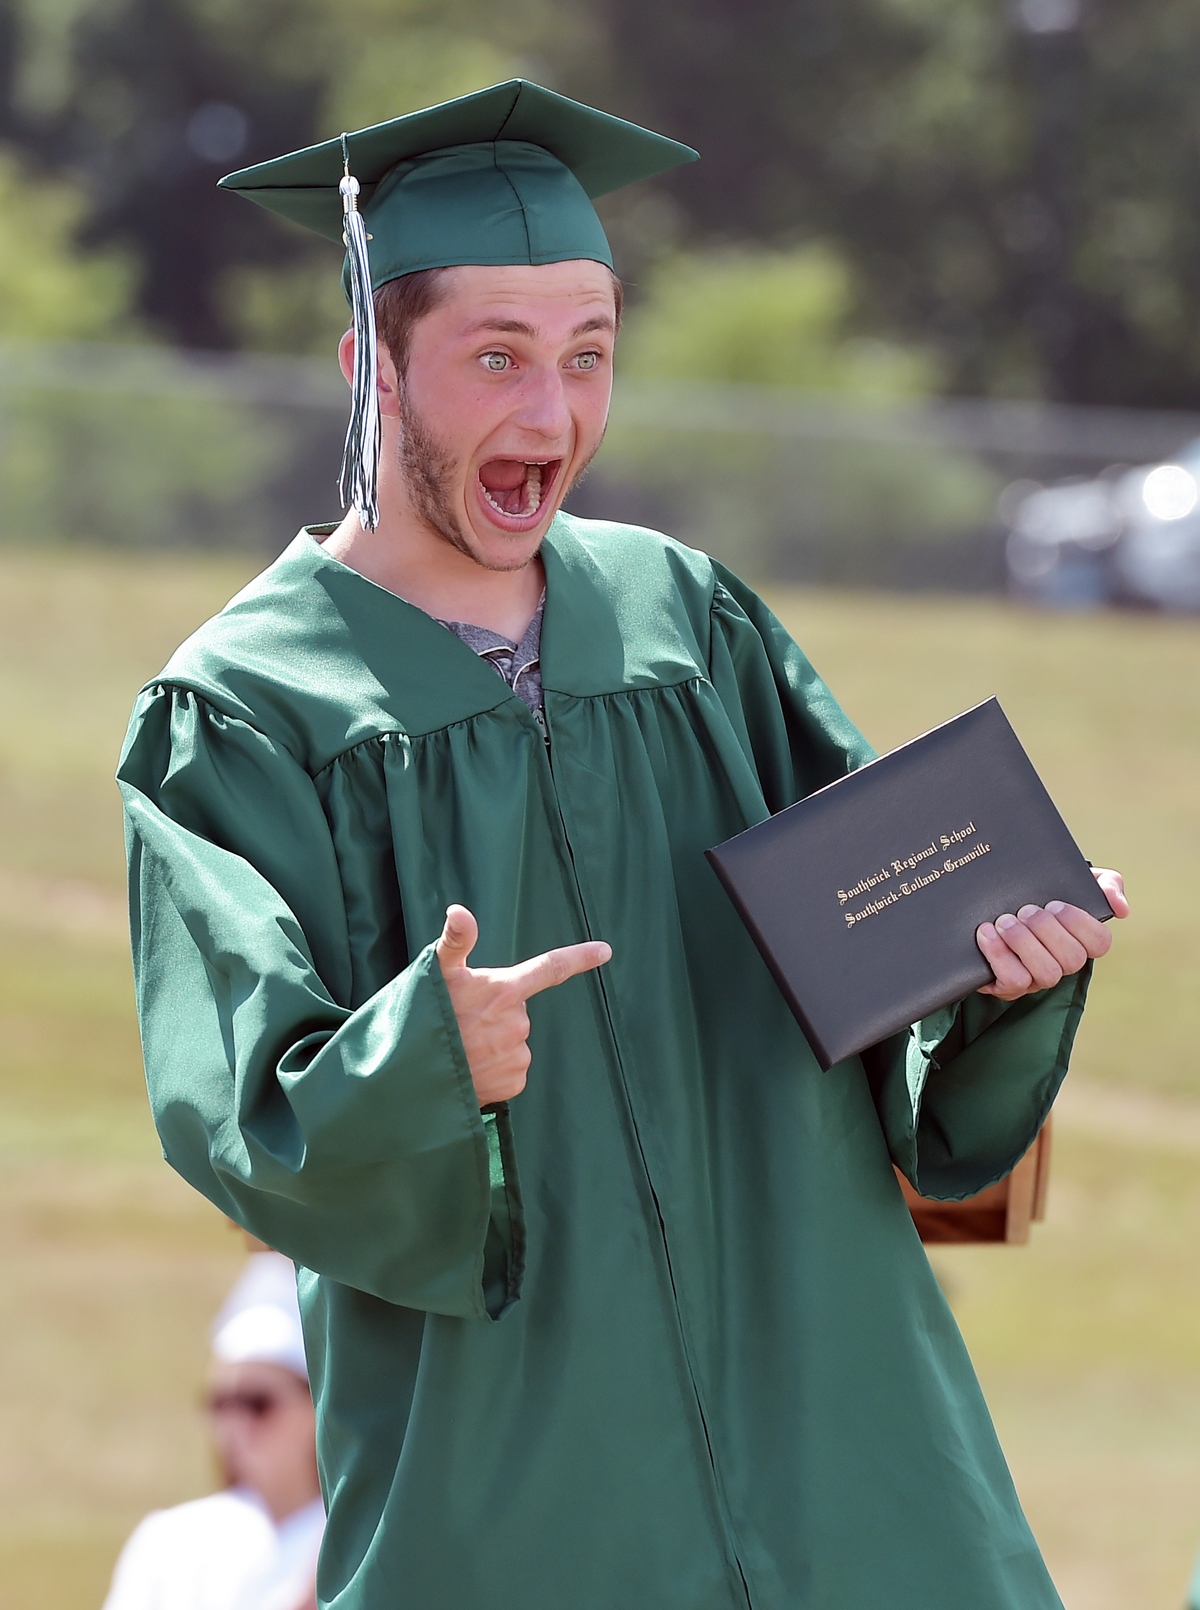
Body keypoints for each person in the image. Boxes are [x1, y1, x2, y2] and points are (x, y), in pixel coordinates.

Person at [117, 78, 1128, 1609]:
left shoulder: (690, 627)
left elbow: (891, 1019)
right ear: (369, 369)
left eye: (589, 357)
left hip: (852, 1472)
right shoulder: (249, 711)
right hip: (521, 1502)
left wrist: (1003, 978)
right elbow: (242, 1107)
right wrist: (418, 1055)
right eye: (497, 359)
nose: (553, 414)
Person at [104, 1253, 323, 1610]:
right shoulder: (169, 1540)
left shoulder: (354, 1542)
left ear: (314, 1408)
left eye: (258, 1403)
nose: (235, 1424)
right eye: (220, 1403)